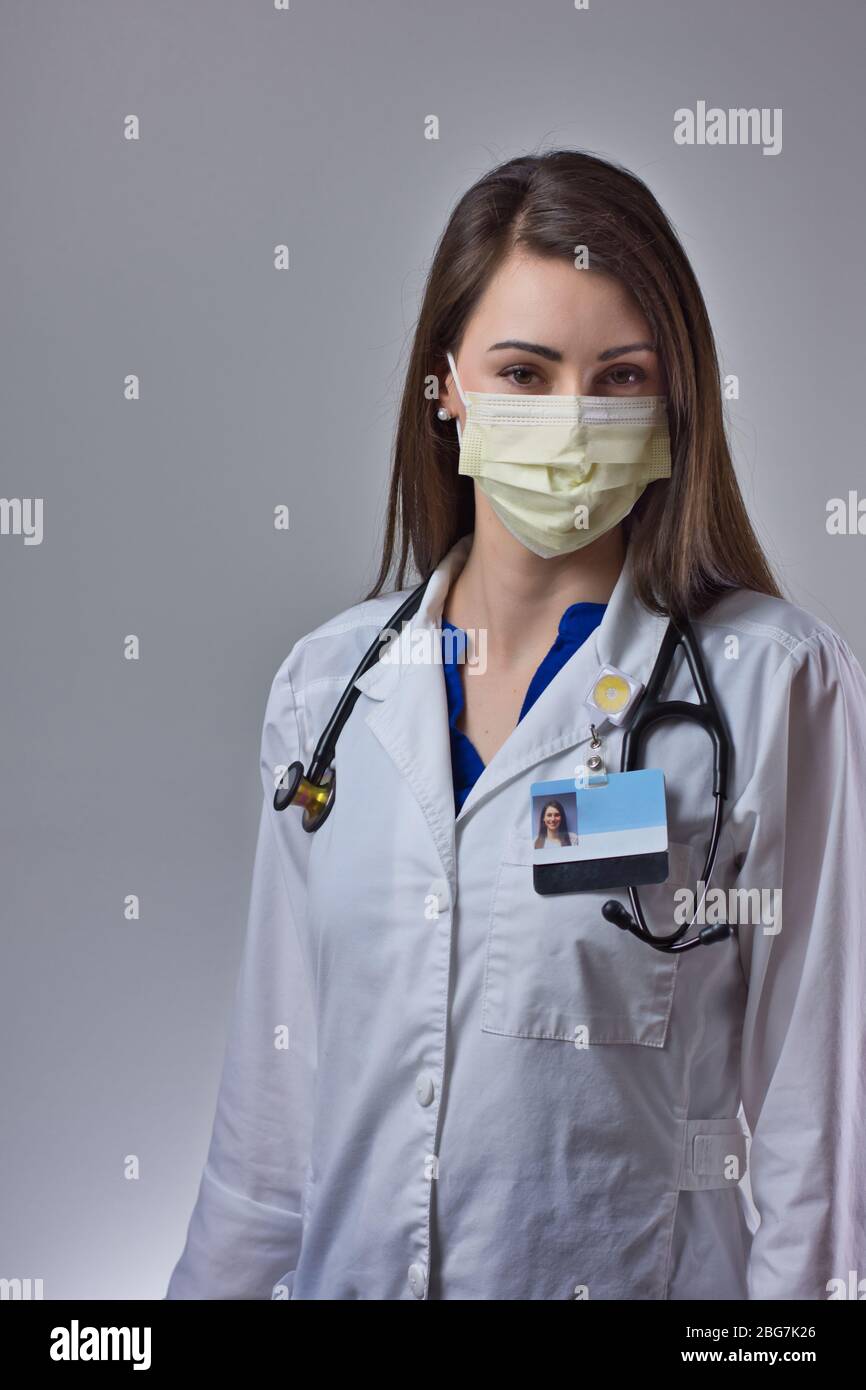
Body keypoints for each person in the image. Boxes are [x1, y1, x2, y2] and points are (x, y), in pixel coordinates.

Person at [166, 149, 866, 1301]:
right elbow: (270, 1136)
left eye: (620, 378)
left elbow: (814, 1153)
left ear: (674, 399)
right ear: (444, 384)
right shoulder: (327, 691)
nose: (571, 421)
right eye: (524, 372)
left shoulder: (772, 688)